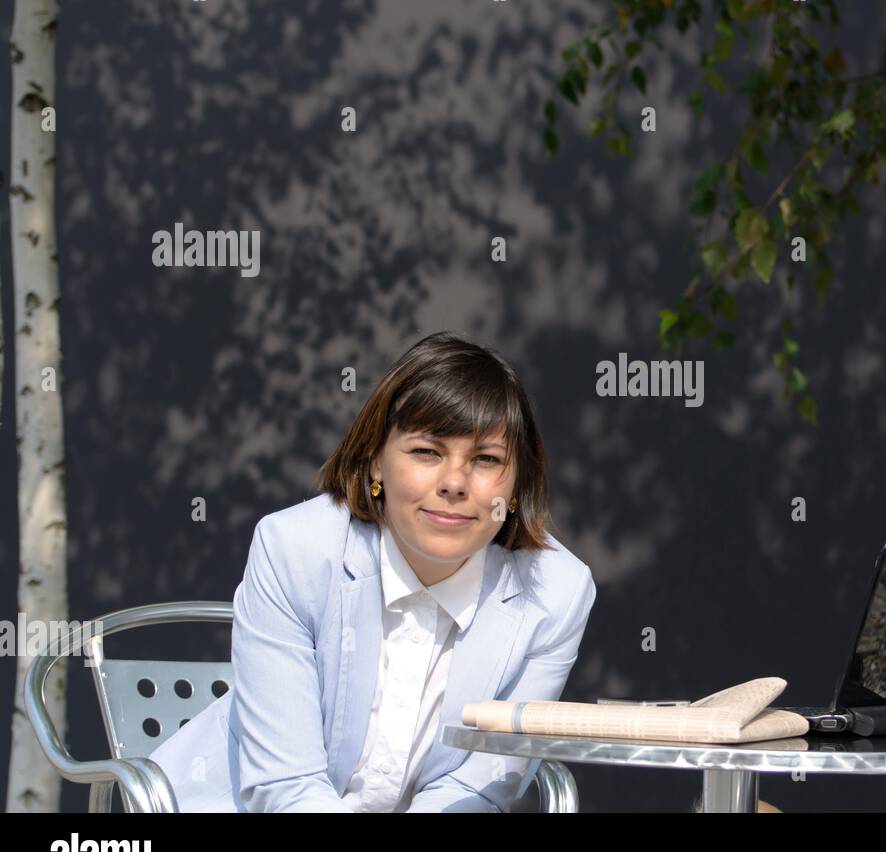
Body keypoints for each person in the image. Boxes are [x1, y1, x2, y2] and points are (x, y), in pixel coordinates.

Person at [149, 332, 598, 812]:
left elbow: (478, 789)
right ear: (374, 462)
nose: (454, 484)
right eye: (427, 452)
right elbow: (288, 787)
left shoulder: (557, 595)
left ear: (516, 485)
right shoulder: (295, 550)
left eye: (486, 460)